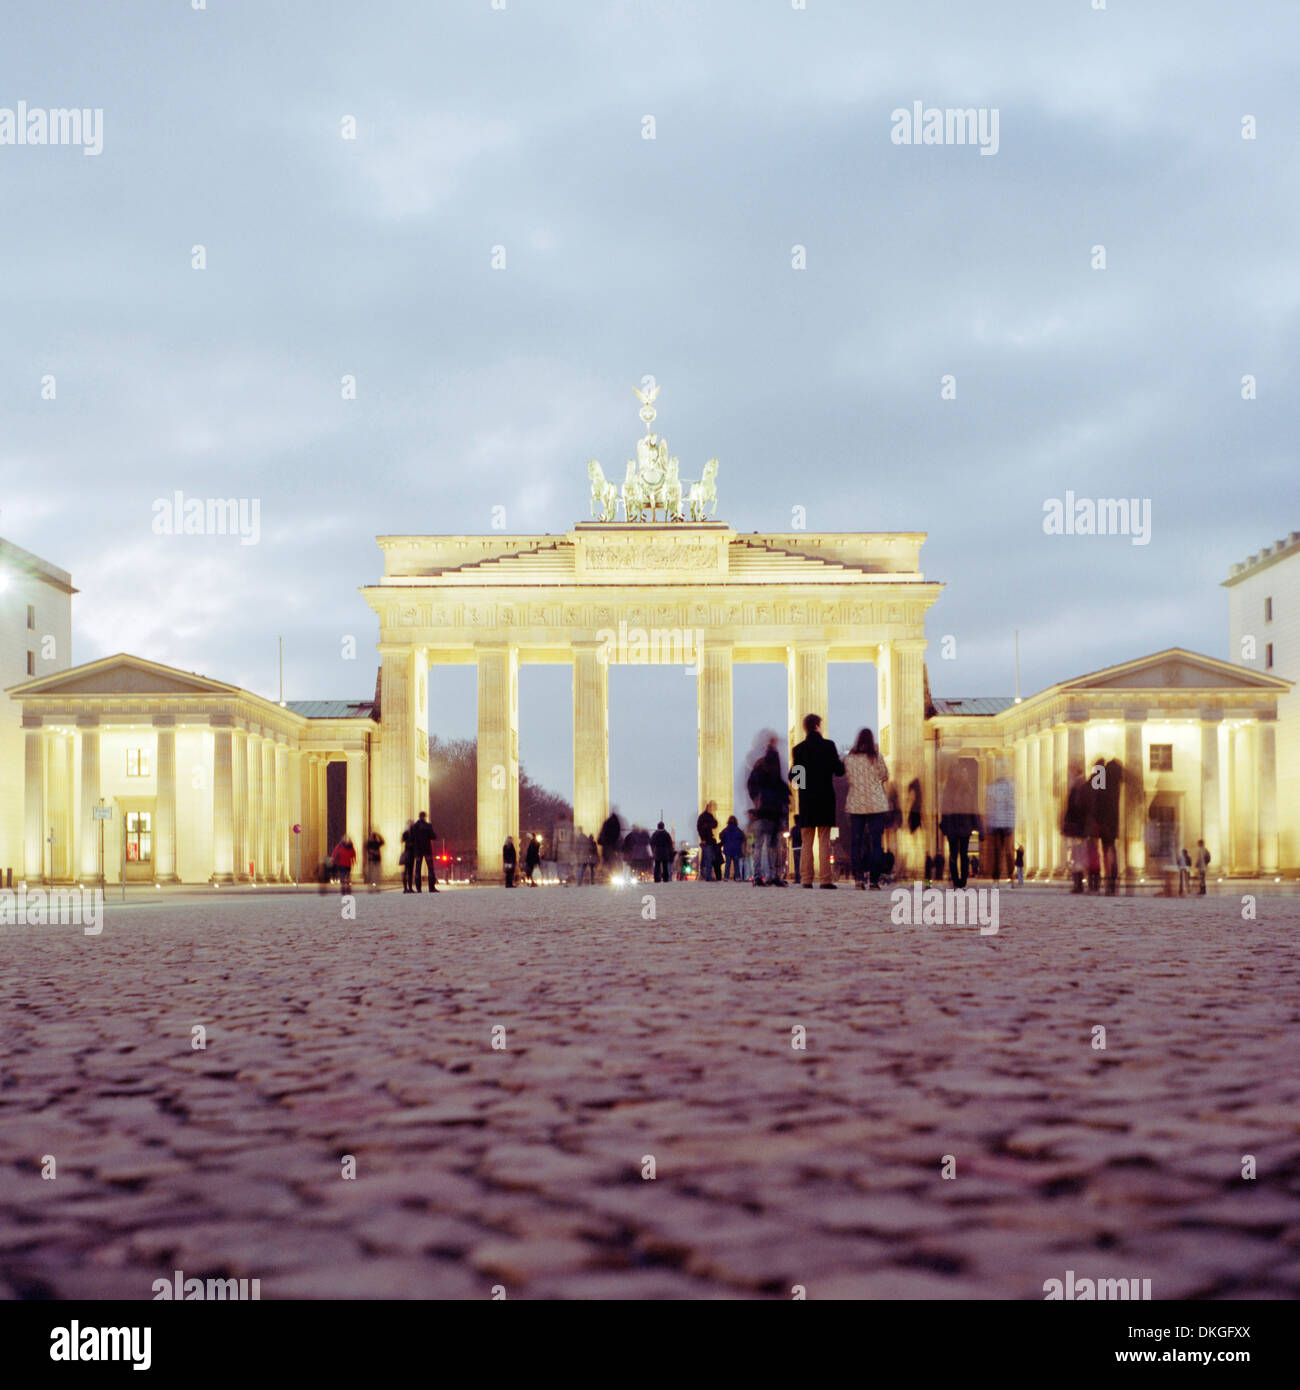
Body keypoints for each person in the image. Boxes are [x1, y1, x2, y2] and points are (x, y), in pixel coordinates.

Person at [789, 713, 845, 889]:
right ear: (817, 726)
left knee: (806, 841)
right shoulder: (829, 746)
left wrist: (806, 784)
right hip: (825, 798)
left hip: (807, 801)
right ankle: (825, 879)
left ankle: (806, 879)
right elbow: (839, 771)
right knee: (823, 840)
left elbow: (796, 778)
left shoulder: (798, 750)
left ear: (806, 728)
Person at [845, 727, 890, 890]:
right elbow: (884, 775)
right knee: (876, 843)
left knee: (856, 842)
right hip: (876, 804)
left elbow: (848, 777)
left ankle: (858, 878)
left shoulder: (849, 759)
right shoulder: (877, 757)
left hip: (856, 804)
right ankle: (874, 880)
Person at [747, 738, 790, 886]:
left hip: (764, 812)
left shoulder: (759, 767)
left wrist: (755, 800)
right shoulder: (774, 772)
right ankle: (773, 875)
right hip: (774, 812)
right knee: (773, 846)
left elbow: (751, 785)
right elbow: (784, 788)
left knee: (760, 845)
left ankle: (758, 876)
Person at [939, 761, 980, 890]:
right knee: (962, 854)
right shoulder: (968, 789)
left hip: (955, 827)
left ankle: (958, 882)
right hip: (962, 826)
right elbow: (973, 809)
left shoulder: (949, 789)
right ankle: (961, 882)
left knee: (955, 854)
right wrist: (976, 824)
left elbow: (944, 809)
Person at [983, 763, 1014, 883]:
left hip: (997, 823)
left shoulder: (991, 787)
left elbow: (989, 807)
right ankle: (1009, 876)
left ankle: (997, 877)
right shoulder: (1009, 787)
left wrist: (988, 823)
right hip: (1003, 823)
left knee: (997, 852)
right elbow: (1011, 806)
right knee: (1007, 851)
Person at [408, 810, 438, 893]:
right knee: (430, 868)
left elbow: (411, 839)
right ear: (425, 817)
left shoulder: (414, 826)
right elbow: (433, 836)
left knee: (418, 869)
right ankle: (431, 888)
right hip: (427, 849)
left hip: (418, 850)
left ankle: (418, 889)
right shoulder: (428, 826)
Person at [697, 801, 719, 882]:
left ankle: (705, 874)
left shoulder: (709, 816)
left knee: (705, 858)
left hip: (708, 840)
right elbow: (700, 828)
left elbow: (715, 824)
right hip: (706, 840)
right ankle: (708, 876)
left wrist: (709, 824)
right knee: (708, 858)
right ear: (708, 807)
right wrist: (703, 839)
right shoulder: (703, 817)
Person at [597, 812, 622, 881]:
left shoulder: (606, 823)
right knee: (613, 863)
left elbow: (600, 837)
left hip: (606, 848)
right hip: (612, 847)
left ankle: (606, 876)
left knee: (607, 863)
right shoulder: (616, 824)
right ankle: (612, 876)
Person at [719, 815, 744, 880]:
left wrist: (725, 842)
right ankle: (738, 877)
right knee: (736, 865)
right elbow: (742, 838)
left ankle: (726, 877)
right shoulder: (738, 830)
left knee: (727, 864)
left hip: (728, 849)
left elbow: (721, 836)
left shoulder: (725, 830)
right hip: (736, 849)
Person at [400, 820, 415, 894]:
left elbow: (402, 840)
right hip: (411, 853)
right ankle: (409, 887)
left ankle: (406, 888)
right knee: (410, 871)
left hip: (407, 852)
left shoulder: (405, 832)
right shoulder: (414, 833)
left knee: (406, 871)